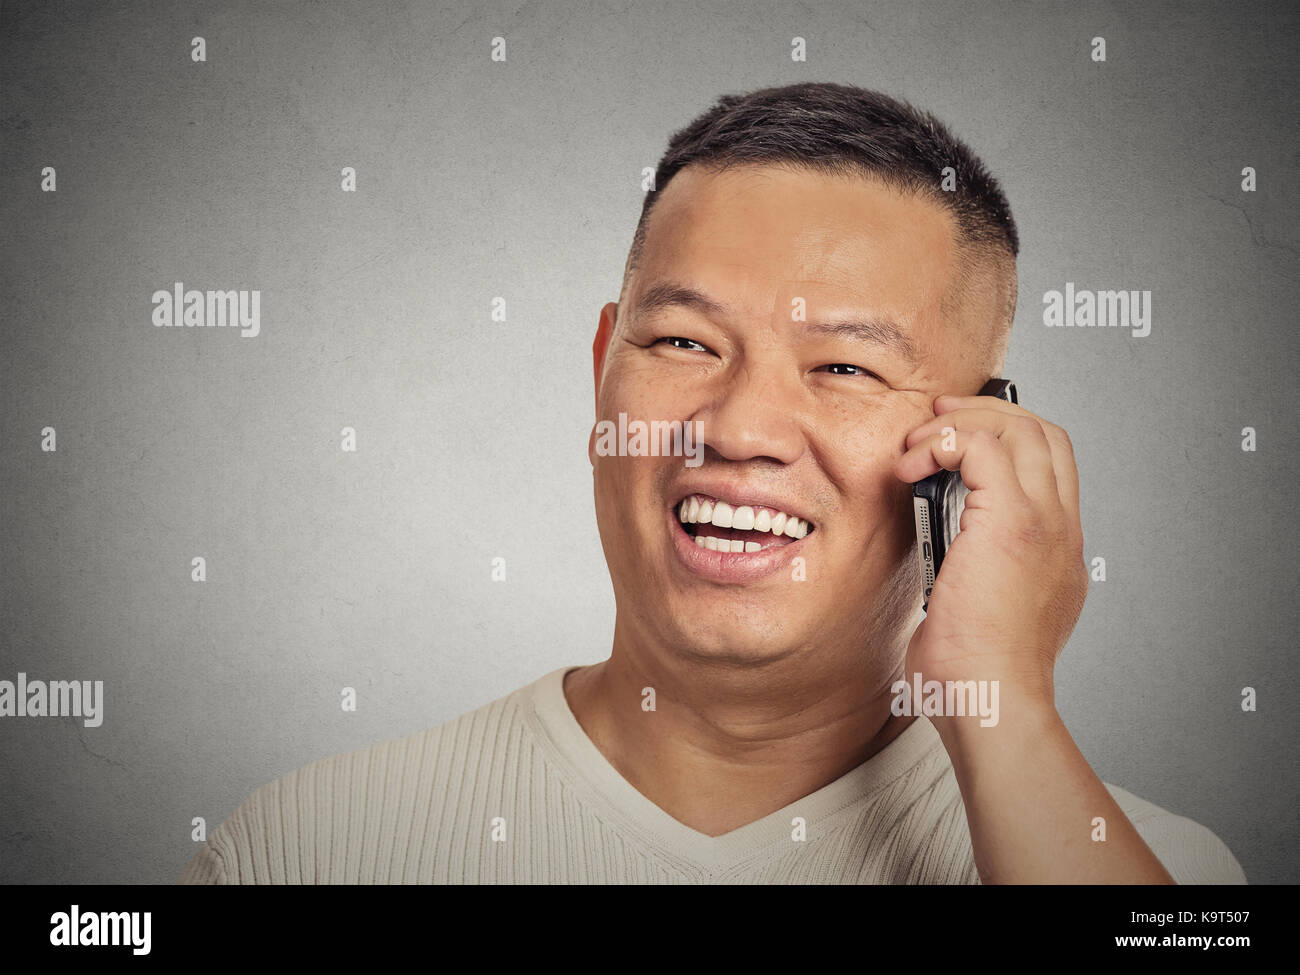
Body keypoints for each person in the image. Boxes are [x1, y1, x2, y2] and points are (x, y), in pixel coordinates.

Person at [180, 82, 1246, 884]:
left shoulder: (1149, 868)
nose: (738, 428)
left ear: (974, 445)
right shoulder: (305, 848)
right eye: (684, 343)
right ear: (602, 366)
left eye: (845, 367)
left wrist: (999, 697)